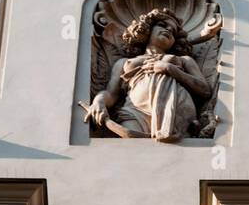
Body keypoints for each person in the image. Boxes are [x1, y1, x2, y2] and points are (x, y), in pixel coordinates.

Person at [85, 9, 212, 141]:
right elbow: (111, 94)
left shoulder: (185, 60)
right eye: (162, 25)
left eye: (173, 31)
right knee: (132, 151)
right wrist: (98, 101)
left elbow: (205, 90)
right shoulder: (124, 63)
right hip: (136, 111)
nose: (168, 30)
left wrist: (170, 69)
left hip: (174, 111)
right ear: (147, 29)